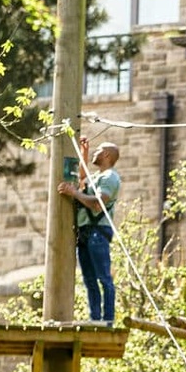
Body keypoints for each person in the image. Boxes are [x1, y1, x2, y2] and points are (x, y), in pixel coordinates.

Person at [57, 137, 121, 325]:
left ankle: (107, 319)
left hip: (98, 232)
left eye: (98, 150)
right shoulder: (98, 177)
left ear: (107, 155)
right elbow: (82, 179)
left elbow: (97, 204)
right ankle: (95, 318)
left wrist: (74, 193)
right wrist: (84, 153)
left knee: (103, 277)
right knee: (89, 280)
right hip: (86, 233)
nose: (95, 153)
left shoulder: (110, 177)